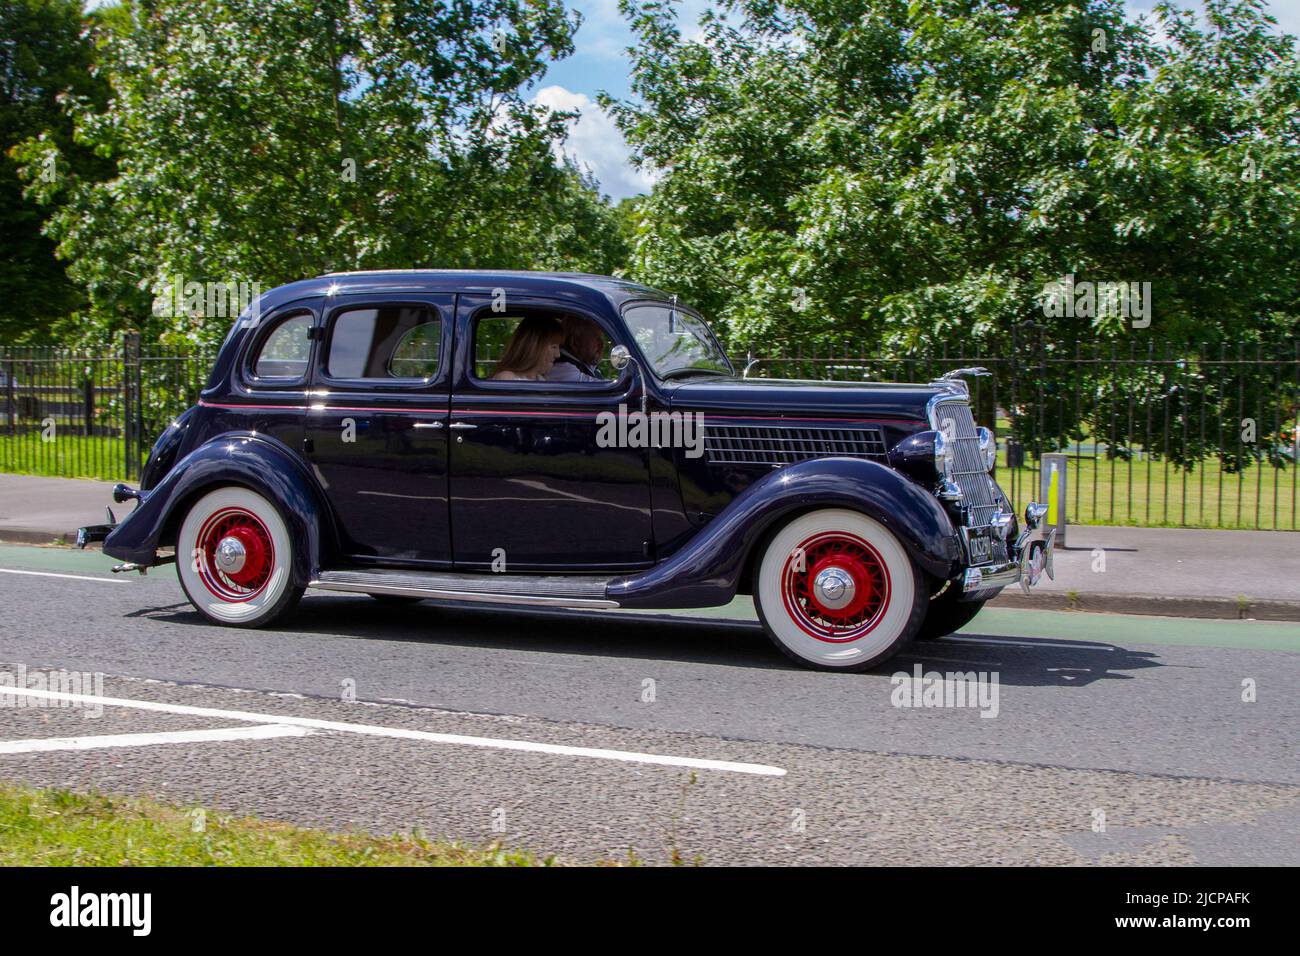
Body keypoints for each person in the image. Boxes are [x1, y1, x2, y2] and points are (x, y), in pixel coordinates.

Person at [491, 315, 564, 381]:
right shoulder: (508, 378)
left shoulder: (540, 379)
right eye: (554, 347)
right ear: (534, 347)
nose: (558, 355)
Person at [546, 314, 605, 383]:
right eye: (596, 339)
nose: (602, 345)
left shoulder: (586, 364)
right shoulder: (563, 368)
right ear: (574, 342)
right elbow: (604, 387)